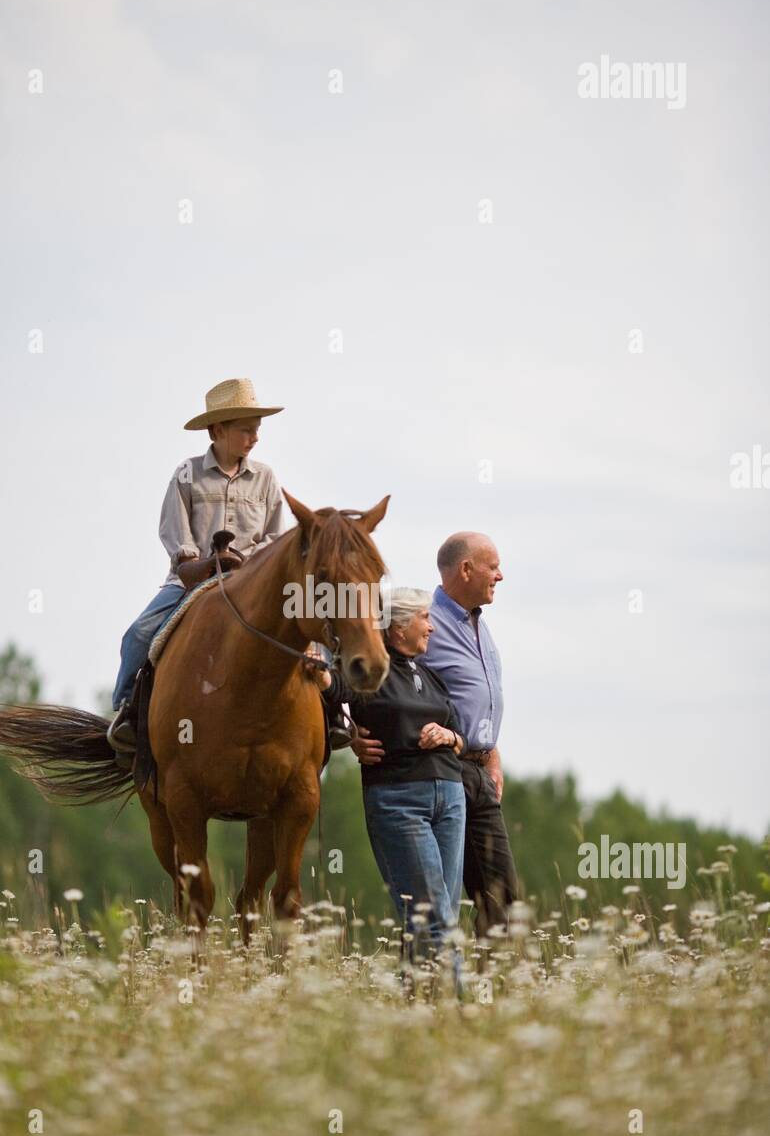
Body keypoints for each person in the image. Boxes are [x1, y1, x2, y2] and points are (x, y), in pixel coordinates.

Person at [353, 534, 519, 938]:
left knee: (502, 901)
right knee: (432, 907)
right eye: (492, 566)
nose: (501, 574)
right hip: (438, 771)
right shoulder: (423, 620)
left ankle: (488, 994)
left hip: (478, 773)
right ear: (466, 569)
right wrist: (349, 731)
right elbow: (366, 666)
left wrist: (492, 757)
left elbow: (473, 701)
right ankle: (437, 989)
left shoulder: (480, 625)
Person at [107, 377, 284, 751]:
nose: (255, 438)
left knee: (311, 628)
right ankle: (127, 712)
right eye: (246, 430)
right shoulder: (187, 474)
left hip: (251, 583)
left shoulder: (266, 479)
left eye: (257, 430)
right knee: (138, 635)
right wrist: (198, 561)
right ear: (218, 430)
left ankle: (333, 712)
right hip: (191, 581)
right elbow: (176, 534)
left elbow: (273, 538)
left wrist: (245, 563)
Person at [308, 588, 467, 982]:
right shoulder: (370, 670)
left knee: (435, 913)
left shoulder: (430, 675)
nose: (431, 626)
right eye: (424, 619)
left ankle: (417, 1009)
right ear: (398, 628)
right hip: (399, 798)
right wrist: (322, 670)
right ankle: (462, 1007)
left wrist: (448, 737)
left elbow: (461, 735)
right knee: (434, 915)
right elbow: (338, 691)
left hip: (450, 795)